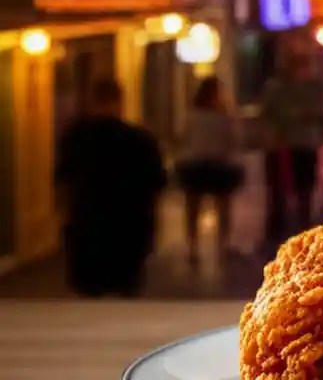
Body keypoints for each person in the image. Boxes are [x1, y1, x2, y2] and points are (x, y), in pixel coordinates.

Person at [55, 78, 166, 297]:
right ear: (120, 102)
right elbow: (156, 185)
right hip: (129, 224)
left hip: (88, 223)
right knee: (126, 292)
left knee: (89, 292)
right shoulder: (139, 140)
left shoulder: (76, 138)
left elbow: (62, 180)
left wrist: (64, 218)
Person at [260, 51, 323, 242]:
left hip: (303, 146)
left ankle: (301, 229)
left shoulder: (314, 88)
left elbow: (320, 113)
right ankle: (277, 229)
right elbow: (268, 114)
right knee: (278, 192)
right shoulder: (276, 87)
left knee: (304, 191)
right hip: (280, 146)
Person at [175, 76, 244, 266]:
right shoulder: (224, 116)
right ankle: (220, 246)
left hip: (196, 164)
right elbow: (234, 140)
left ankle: (193, 247)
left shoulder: (191, 115)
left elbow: (181, 137)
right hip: (216, 164)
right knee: (221, 207)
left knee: (193, 208)